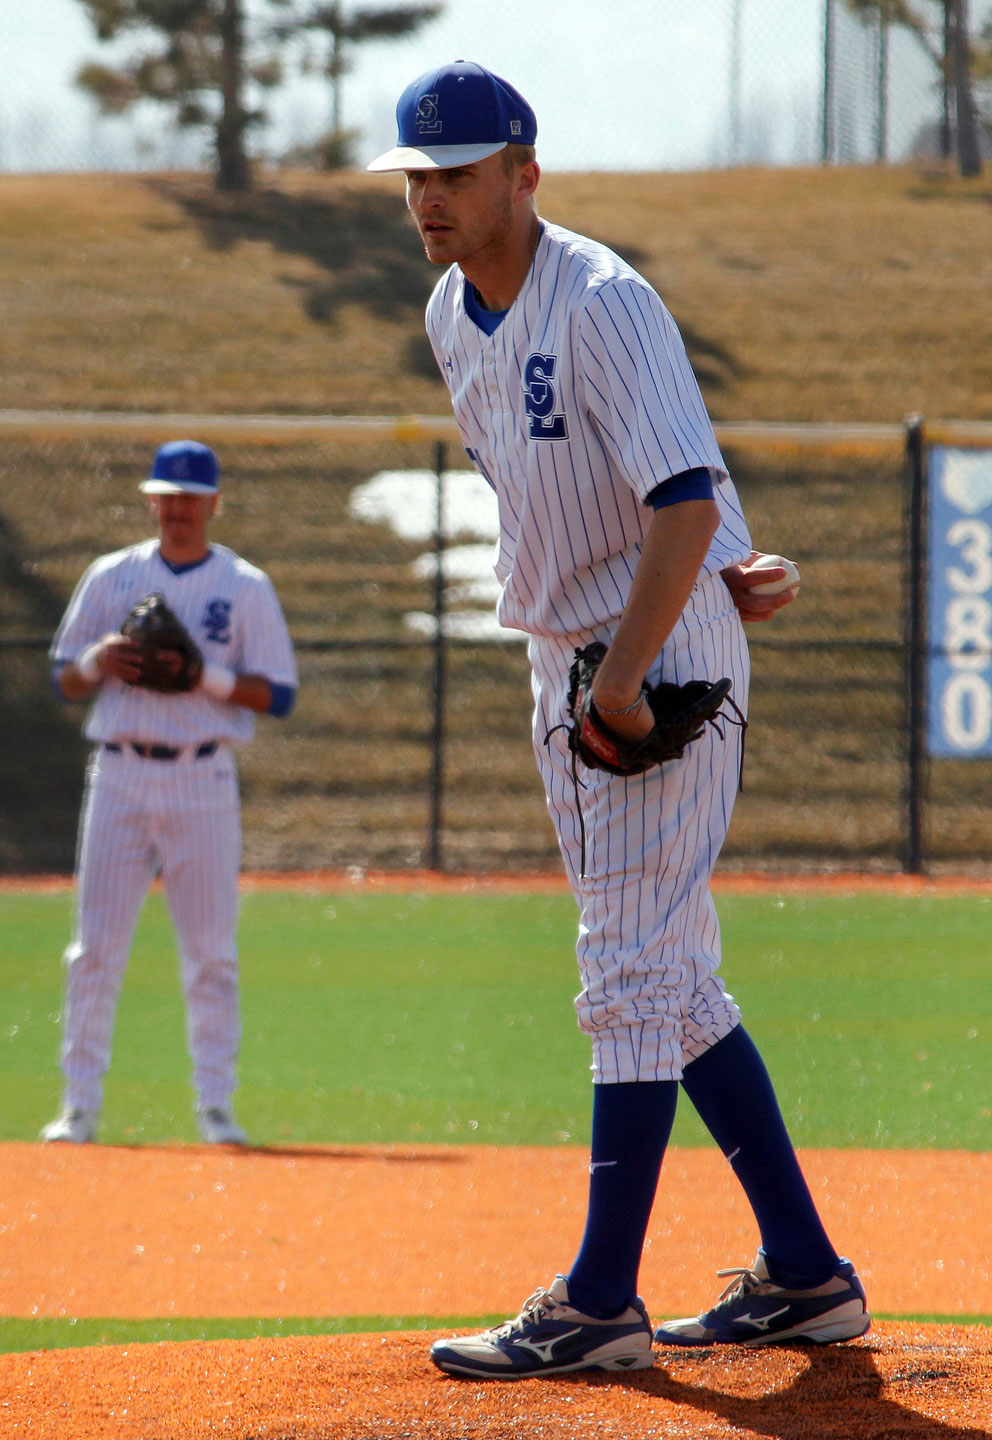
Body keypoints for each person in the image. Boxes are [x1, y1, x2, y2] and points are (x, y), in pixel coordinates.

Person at [367, 61, 870, 1378]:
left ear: (525, 173)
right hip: (572, 651)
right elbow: (616, 482)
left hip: (648, 659)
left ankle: (599, 1298)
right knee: (670, 979)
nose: (431, 195)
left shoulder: (602, 298)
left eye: (458, 171)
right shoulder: (447, 310)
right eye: (418, 173)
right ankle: (807, 1276)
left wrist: (645, 656)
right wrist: (631, 636)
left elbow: (685, 497)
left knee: (626, 969)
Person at [40, 440, 298, 1148]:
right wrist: (96, 661)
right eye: (167, 495)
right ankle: (79, 1108)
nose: (177, 508)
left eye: (190, 496)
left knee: (211, 952)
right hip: (118, 774)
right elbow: (61, 679)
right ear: (151, 500)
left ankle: (216, 1108)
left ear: (214, 502)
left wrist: (204, 678)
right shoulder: (111, 575)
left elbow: (278, 694)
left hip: (202, 777)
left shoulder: (245, 586)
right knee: (94, 949)